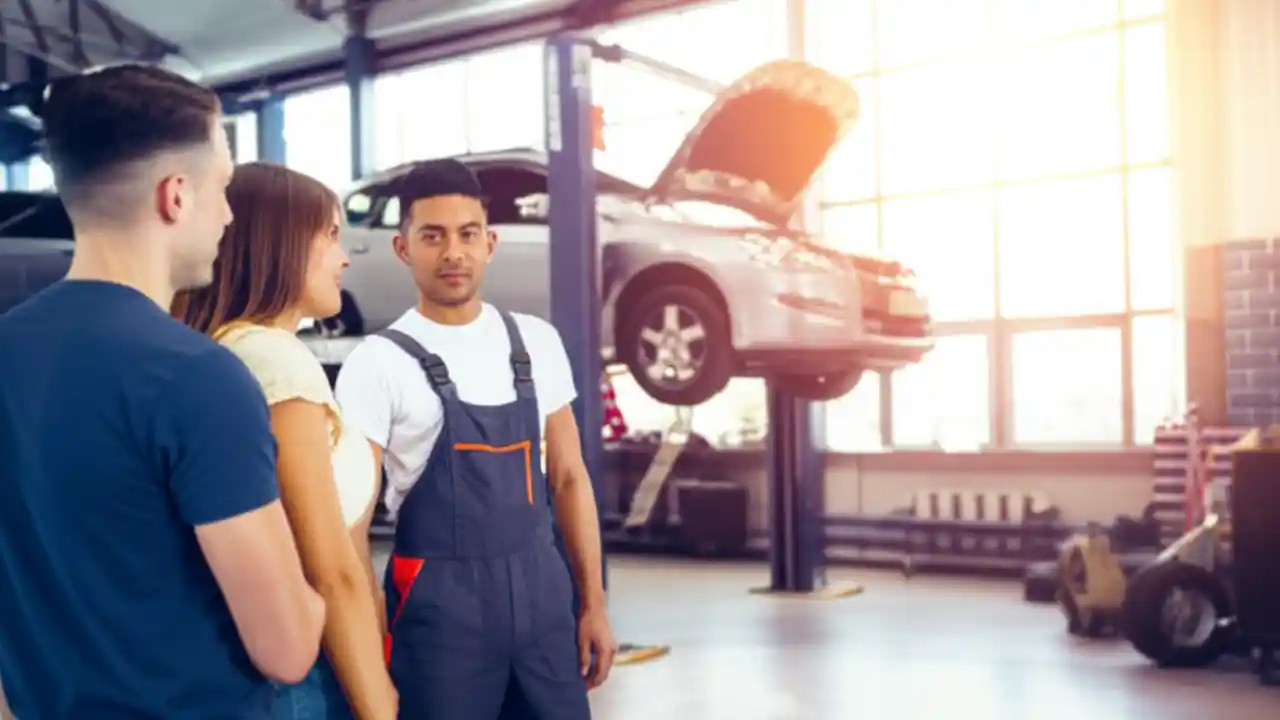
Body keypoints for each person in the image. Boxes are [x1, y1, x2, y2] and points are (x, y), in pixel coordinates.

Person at [0, 65, 326, 719]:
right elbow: (286, 649)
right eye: (224, 188)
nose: (230, 215)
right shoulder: (197, 377)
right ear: (175, 196)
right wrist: (318, 585)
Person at [334, 159, 617, 719]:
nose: (453, 253)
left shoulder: (536, 341)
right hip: (439, 613)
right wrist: (368, 659)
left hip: (543, 602)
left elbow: (568, 477)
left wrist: (593, 604)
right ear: (402, 247)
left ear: (490, 242)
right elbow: (350, 528)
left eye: (467, 235)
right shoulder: (377, 363)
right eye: (432, 236)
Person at [172, 162, 397, 720]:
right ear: (281, 243)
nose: (344, 257)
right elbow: (327, 568)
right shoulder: (275, 362)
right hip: (305, 675)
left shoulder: (221, 349)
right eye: (332, 236)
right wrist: (380, 705)